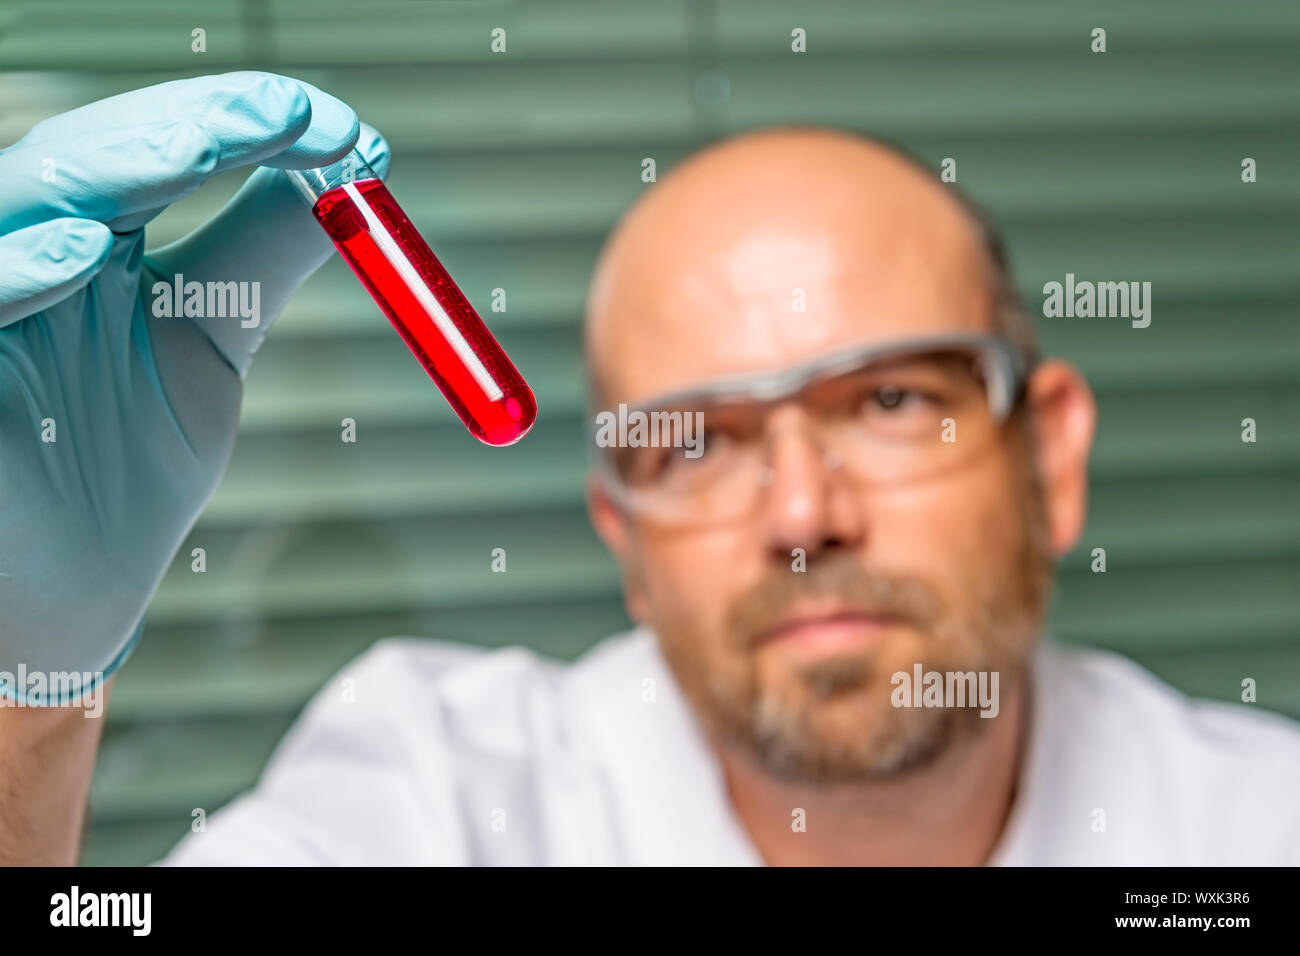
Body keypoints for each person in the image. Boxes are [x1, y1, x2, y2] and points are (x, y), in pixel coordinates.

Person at [1, 72, 1296, 867]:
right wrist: (27, 692)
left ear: (1052, 455)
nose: (803, 516)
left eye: (892, 401)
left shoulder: (1257, 828)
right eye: (694, 442)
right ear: (621, 533)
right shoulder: (442, 799)